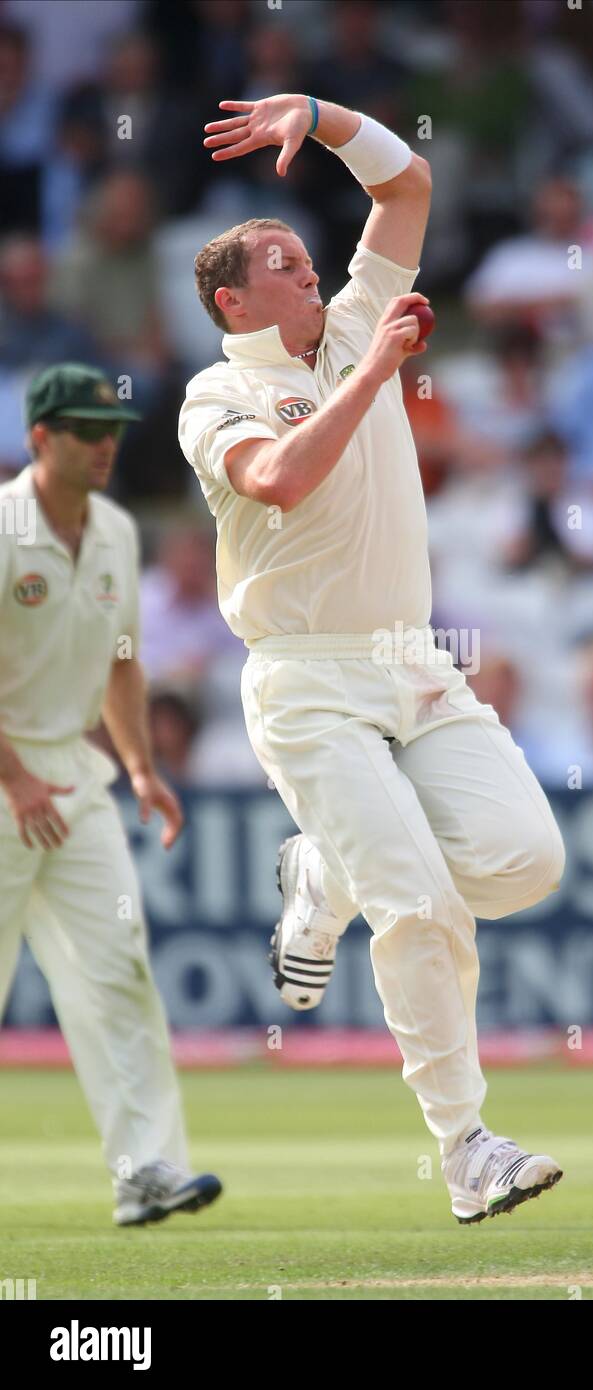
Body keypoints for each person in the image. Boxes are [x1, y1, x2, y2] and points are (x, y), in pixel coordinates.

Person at [179, 93, 566, 1224]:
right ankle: (466, 1149)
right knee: (420, 903)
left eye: (310, 260)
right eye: (284, 266)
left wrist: (321, 114)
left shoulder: (353, 321)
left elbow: (406, 186)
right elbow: (280, 479)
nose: (312, 273)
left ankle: (323, 872)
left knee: (524, 861)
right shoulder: (217, 394)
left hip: (410, 659)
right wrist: (378, 363)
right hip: (303, 677)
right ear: (232, 300)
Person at [0, 363, 221, 1227]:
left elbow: (124, 663)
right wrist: (15, 779)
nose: (105, 446)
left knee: (117, 969)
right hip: (6, 778)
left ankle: (147, 1170)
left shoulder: (118, 531)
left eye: (113, 431)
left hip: (75, 777)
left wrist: (138, 768)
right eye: (87, 431)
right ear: (40, 437)